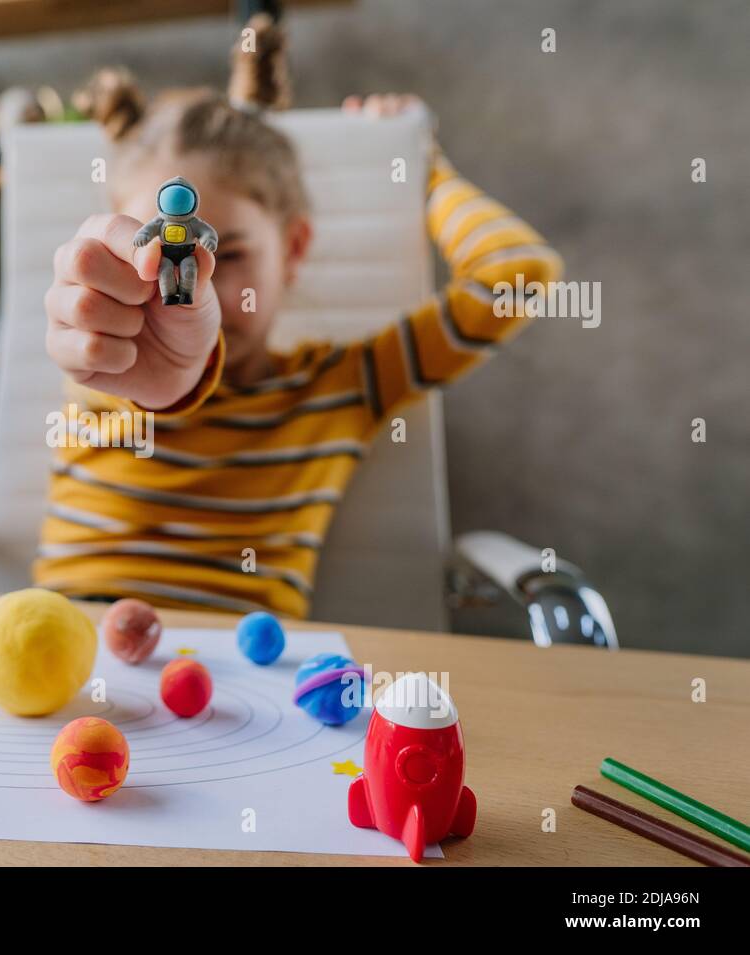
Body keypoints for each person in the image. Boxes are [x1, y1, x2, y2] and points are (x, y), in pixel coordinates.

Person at [35, 16, 563, 617]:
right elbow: (168, 383)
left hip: (249, 679)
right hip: (71, 640)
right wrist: (169, 371)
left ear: (292, 249)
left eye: (228, 255)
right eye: (151, 258)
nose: (188, 287)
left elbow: (518, 274)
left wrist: (424, 165)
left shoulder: (345, 383)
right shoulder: (109, 356)